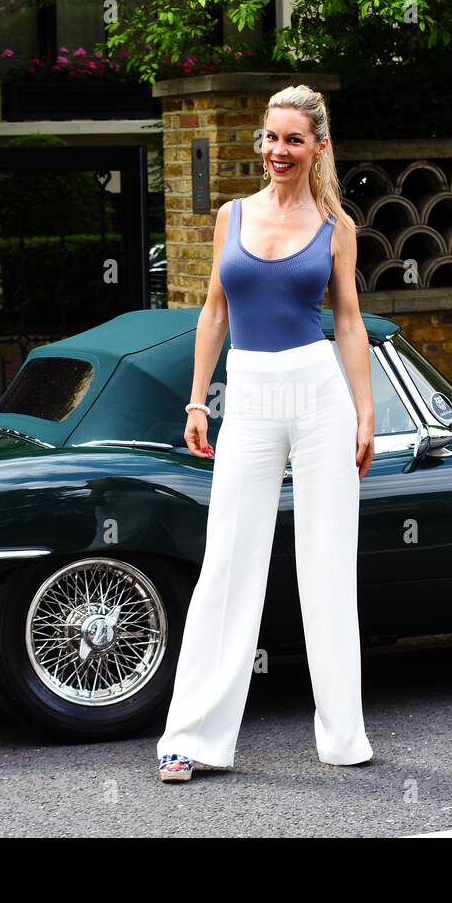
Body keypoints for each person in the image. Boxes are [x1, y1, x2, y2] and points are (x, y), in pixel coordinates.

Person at [156, 84, 375, 782]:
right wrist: (197, 401)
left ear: (319, 147)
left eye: (293, 140)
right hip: (247, 396)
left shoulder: (338, 227)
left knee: (328, 566)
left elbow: (347, 322)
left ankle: (344, 736)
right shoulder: (231, 216)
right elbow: (213, 313)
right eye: (270, 138)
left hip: (318, 396)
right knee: (227, 560)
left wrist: (366, 413)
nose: (278, 151)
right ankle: (191, 737)